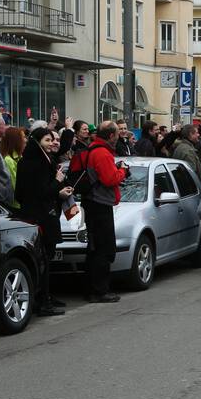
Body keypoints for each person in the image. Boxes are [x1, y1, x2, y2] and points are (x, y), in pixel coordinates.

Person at [16, 126, 74, 317]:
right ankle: (42, 301)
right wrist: (57, 181)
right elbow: (41, 192)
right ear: (37, 141)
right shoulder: (37, 163)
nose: (51, 144)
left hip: (37, 213)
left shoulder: (33, 161)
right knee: (43, 260)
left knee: (45, 260)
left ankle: (46, 297)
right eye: (47, 140)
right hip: (41, 216)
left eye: (52, 140)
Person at [77, 121, 131, 303]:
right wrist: (122, 171)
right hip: (99, 203)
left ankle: (92, 289)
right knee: (103, 249)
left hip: (93, 201)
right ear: (111, 136)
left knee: (94, 248)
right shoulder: (102, 152)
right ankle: (100, 290)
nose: (119, 136)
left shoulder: (94, 149)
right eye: (117, 134)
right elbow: (109, 179)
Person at [0, 126, 26, 203]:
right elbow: (15, 185)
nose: (25, 140)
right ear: (15, 140)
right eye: (23, 137)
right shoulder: (8, 160)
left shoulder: (19, 157)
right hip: (16, 205)